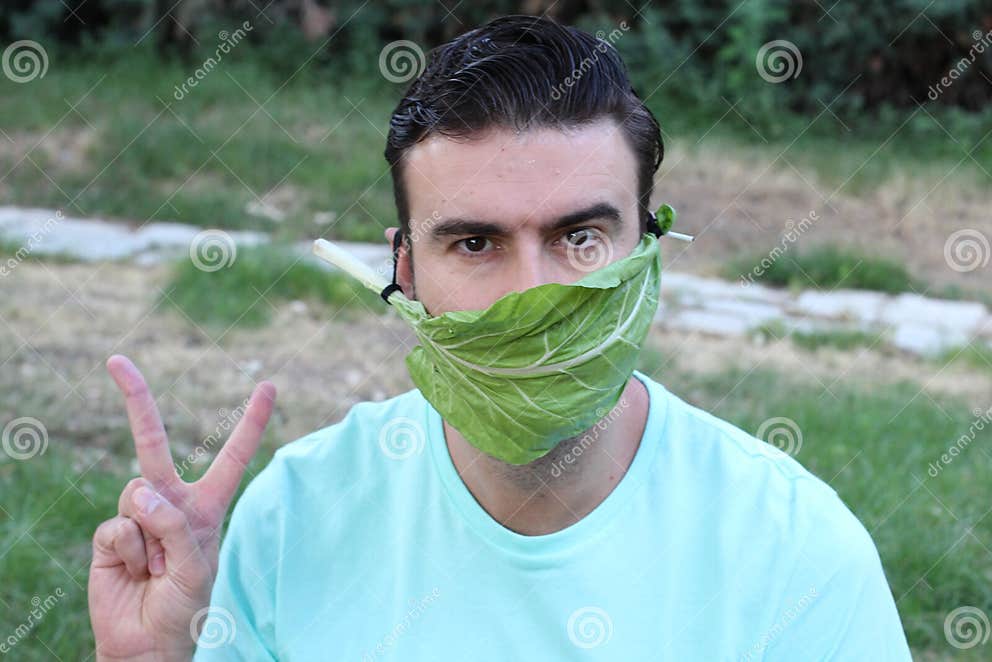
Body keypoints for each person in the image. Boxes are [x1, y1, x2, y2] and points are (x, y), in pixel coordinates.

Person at [89, 14, 913, 660]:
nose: (535, 293)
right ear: (404, 273)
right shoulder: (294, 519)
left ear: (650, 252)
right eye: (475, 244)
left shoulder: (797, 552)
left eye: (580, 237)